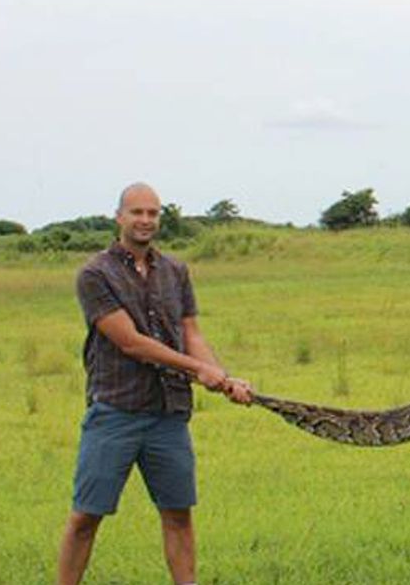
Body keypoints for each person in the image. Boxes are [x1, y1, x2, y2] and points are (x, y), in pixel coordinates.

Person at [56, 182, 253, 585]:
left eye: (153, 213)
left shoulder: (175, 271)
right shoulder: (95, 274)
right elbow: (131, 342)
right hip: (116, 411)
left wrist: (223, 376)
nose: (145, 220)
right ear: (119, 217)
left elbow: (191, 333)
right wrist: (197, 371)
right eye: (137, 212)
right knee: (86, 515)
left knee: (178, 513)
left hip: (168, 414)